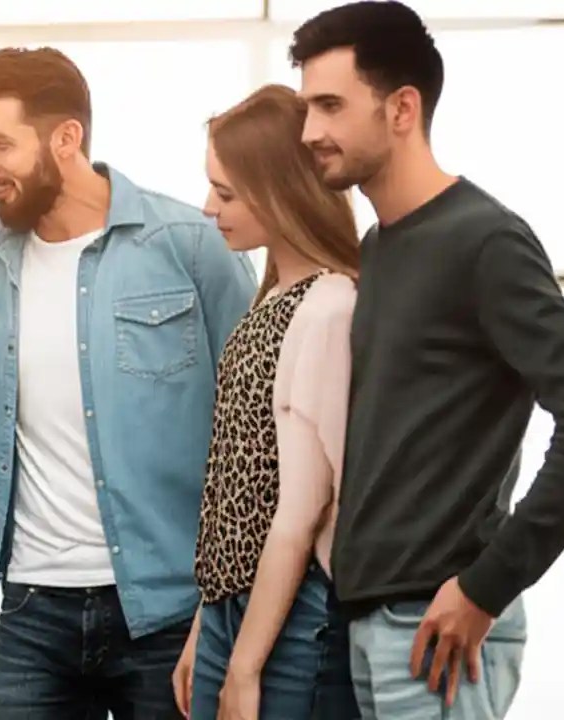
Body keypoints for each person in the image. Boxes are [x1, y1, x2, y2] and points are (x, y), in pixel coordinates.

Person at [290, 2, 564, 717]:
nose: (310, 131)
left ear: (401, 108)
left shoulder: (485, 242)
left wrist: (487, 586)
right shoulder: (377, 250)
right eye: (306, 107)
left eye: (329, 106)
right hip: (365, 623)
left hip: (437, 632)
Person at [0, 46, 258, 719]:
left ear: (66, 138)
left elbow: (255, 428)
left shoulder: (188, 245)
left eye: (0, 144)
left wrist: (232, 611)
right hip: (32, 614)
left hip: (168, 610)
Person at [171, 83, 362, 720]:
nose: (207, 207)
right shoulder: (275, 296)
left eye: (226, 193)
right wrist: (208, 626)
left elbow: (301, 509)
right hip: (236, 607)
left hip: (289, 614)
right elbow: (233, 486)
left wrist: (246, 667)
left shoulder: (329, 306)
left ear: (283, 190)